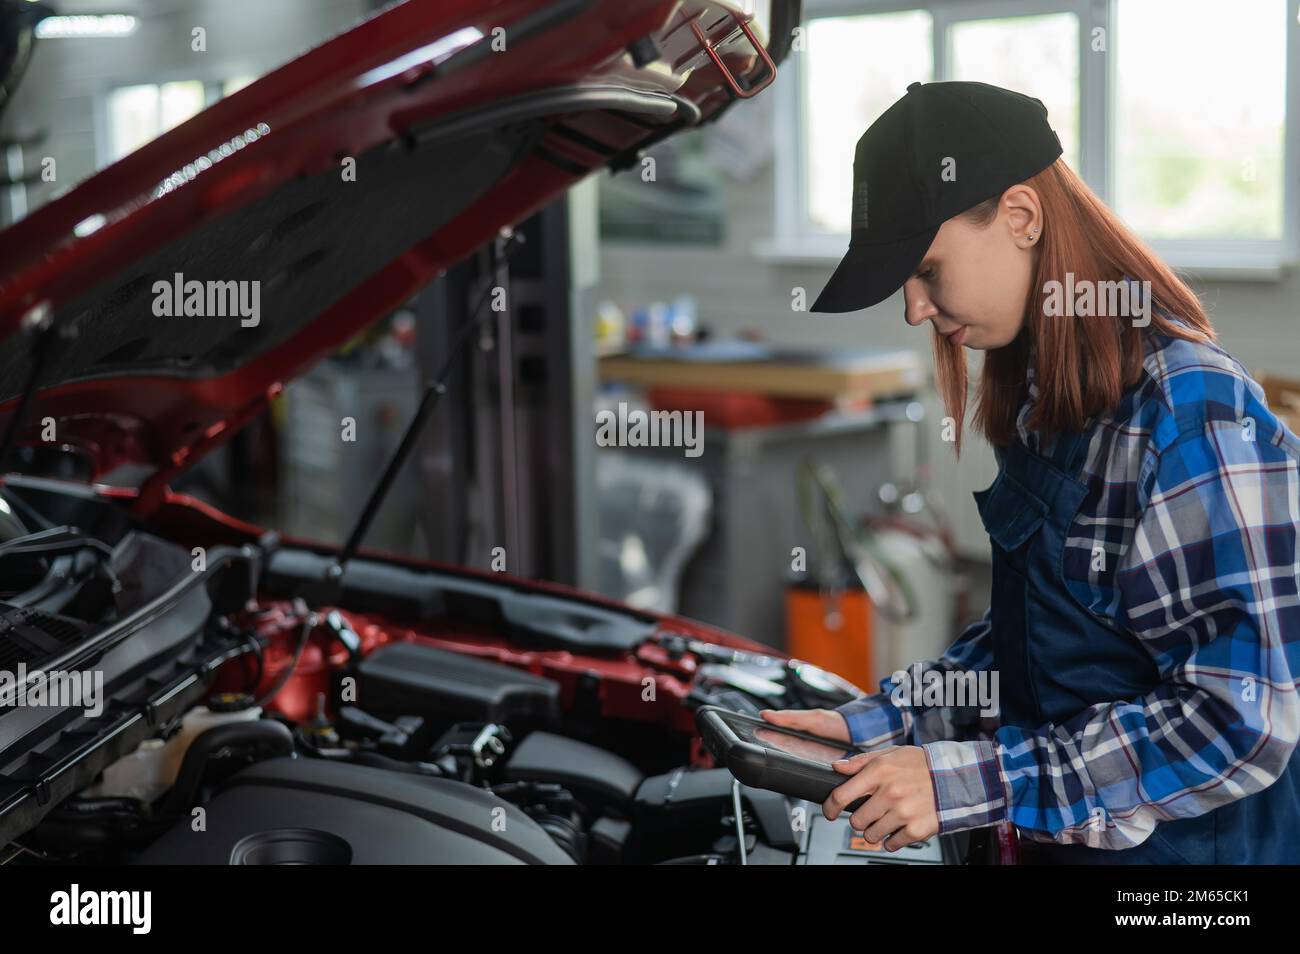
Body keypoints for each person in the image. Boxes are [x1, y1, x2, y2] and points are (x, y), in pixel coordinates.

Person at [761, 81, 1300, 864]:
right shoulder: (1047, 396)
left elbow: (1238, 720)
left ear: (1020, 216)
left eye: (927, 269)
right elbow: (1037, 637)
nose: (915, 310)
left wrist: (973, 781)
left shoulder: (1190, 412)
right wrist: (888, 718)